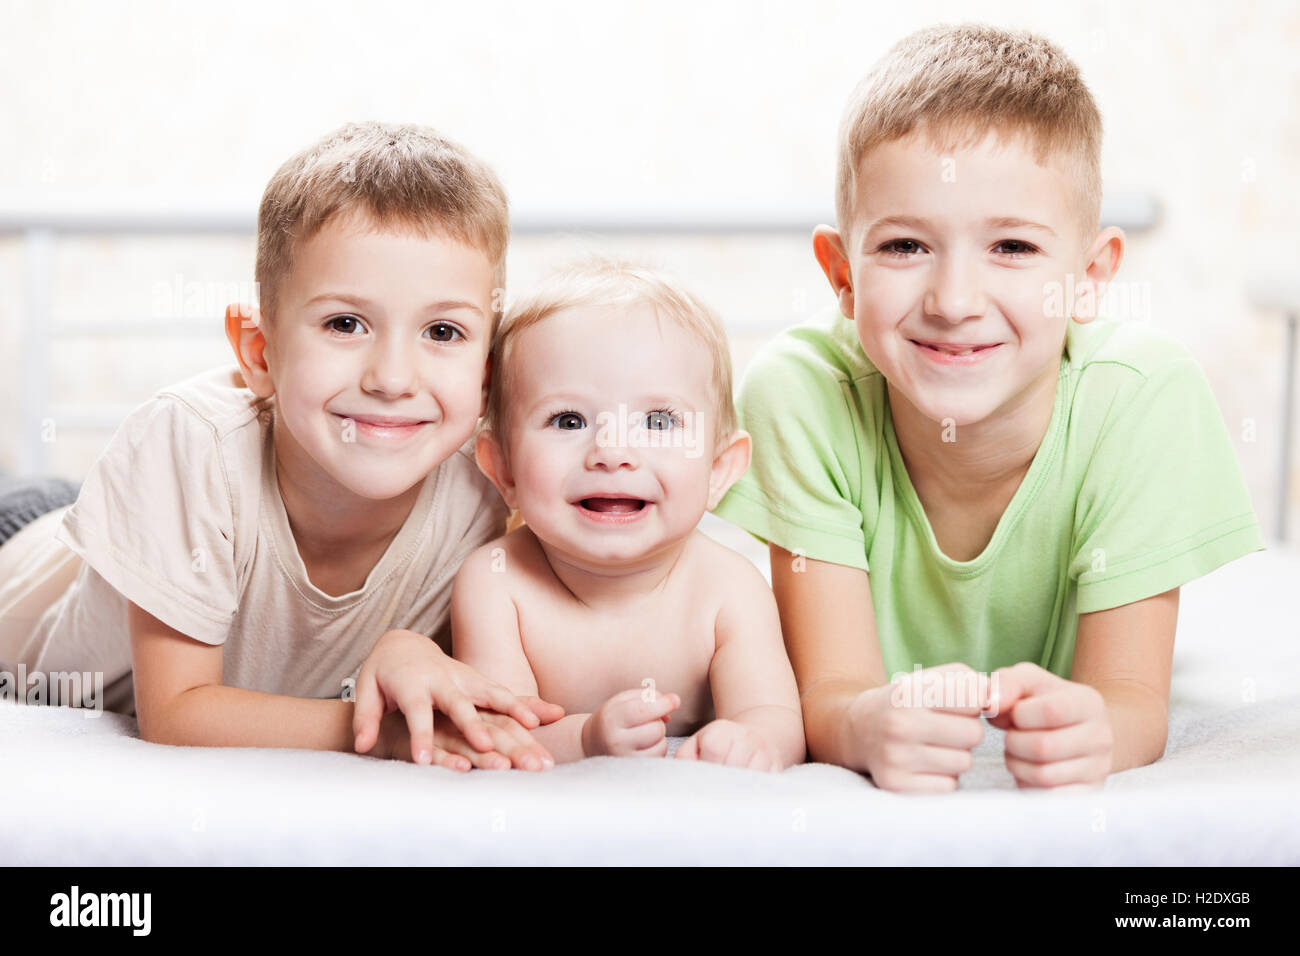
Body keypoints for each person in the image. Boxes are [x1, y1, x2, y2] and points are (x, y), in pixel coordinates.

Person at [712, 24, 1266, 791]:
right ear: (840, 272)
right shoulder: (802, 394)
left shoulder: (1143, 400)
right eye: (906, 246)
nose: (954, 302)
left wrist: (1095, 731)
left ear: (1089, 275)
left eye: (1012, 248)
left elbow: (1132, 700)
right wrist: (863, 725)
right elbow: (830, 695)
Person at [0, 122, 561, 770]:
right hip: (22, 544)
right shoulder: (193, 444)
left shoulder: (488, 486)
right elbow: (177, 712)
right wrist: (380, 730)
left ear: (485, 375)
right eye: (345, 323)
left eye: (442, 330)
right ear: (258, 353)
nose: (393, 379)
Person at [355, 260, 805, 770]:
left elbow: (774, 715)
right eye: (568, 419)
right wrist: (587, 738)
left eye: (658, 420)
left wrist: (751, 740)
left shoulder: (731, 586)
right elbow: (498, 735)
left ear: (720, 470)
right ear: (502, 469)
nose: (612, 451)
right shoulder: (497, 583)